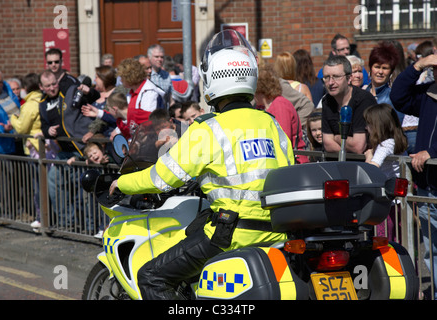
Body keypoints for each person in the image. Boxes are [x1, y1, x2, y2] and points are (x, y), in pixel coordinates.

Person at [109, 29, 295, 300]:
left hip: (230, 235)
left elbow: (164, 177)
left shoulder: (209, 128)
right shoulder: (271, 124)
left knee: (151, 276)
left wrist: (122, 182)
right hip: (275, 233)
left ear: (212, 81)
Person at [390, 51, 437, 298]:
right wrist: (418, 66)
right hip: (427, 186)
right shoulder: (429, 94)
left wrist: (431, 151)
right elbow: (399, 97)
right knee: (431, 251)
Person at [39, 70, 100, 228]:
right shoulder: (43, 103)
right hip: (64, 150)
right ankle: (68, 223)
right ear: (42, 87)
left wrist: (90, 90)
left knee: (85, 189)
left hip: (82, 147)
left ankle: (92, 227)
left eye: (54, 84)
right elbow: (44, 125)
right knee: (54, 181)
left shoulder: (70, 92)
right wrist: (48, 131)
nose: (52, 88)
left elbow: (93, 97)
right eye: (48, 86)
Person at [363, 103, 408, 241]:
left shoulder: (386, 144)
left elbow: (372, 168)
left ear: (378, 126)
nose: (366, 128)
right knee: (398, 237)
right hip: (396, 200)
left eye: (369, 124)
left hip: (390, 201)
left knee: (384, 237)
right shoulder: (396, 141)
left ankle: (386, 261)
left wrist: (368, 156)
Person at [321, 55, 377, 154]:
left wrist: (337, 137)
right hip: (338, 163)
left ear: (349, 78)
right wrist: (347, 148)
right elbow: (327, 144)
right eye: (326, 77)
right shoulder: (327, 101)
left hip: (364, 165)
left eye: (336, 77)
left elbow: (358, 147)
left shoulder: (363, 100)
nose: (330, 82)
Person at [255, 64, 309, 164]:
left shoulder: (280, 105)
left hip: (293, 163)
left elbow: (283, 140)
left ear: (260, 89)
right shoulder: (262, 107)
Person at [10, 73, 43, 229]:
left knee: (38, 186)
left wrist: (13, 118)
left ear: (26, 88)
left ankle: (41, 217)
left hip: (34, 148)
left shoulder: (30, 104)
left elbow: (22, 128)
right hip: (43, 147)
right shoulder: (42, 99)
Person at [115, 58, 165, 137]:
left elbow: (147, 120)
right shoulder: (131, 92)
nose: (121, 80)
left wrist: (126, 113)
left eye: (122, 77)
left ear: (130, 77)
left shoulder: (149, 92)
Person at [364, 41, 403, 124]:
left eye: (385, 68)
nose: (380, 72)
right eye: (377, 67)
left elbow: (397, 127)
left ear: (391, 72)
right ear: (371, 68)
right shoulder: (362, 95)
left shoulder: (393, 98)